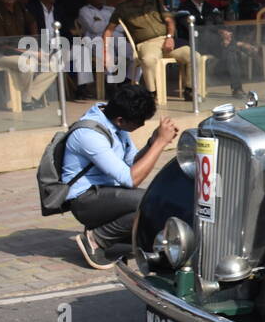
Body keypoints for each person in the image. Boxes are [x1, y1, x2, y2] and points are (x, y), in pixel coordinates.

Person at [61, 81, 178, 269]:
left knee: (158, 199)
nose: (141, 125)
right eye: (138, 123)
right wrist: (160, 144)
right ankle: (96, 239)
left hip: (105, 194)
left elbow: (132, 163)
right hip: (85, 201)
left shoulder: (113, 122)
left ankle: (118, 237)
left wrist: (153, 141)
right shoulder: (89, 134)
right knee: (149, 200)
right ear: (121, 120)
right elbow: (131, 179)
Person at [104, 0, 191, 98]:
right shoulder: (122, 8)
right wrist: (105, 52)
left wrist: (170, 37)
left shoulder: (155, 2)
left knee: (193, 56)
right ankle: (152, 93)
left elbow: (169, 20)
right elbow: (108, 30)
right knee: (148, 60)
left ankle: (190, 90)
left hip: (167, 39)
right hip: (146, 43)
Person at [0, 0, 56, 109]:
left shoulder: (20, 8)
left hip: (21, 53)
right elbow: (2, 46)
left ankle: (32, 96)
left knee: (53, 64)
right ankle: (25, 101)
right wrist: (31, 53)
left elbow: (32, 22)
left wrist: (35, 46)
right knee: (28, 64)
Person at [178, 0, 245, 99]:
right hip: (194, 45)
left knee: (231, 51)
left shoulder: (210, 7)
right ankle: (239, 44)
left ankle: (237, 88)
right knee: (219, 40)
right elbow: (192, 29)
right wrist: (219, 32)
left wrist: (224, 33)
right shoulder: (184, 8)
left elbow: (219, 23)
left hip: (213, 45)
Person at [74, 0, 123, 99]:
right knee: (104, 45)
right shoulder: (84, 11)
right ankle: (110, 83)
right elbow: (93, 28)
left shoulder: (111, 9)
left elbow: (122, 27)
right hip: (93, 42)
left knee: (136, 52)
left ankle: (128, 82)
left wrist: (100, 23)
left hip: (117, 40)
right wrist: (111, 25)